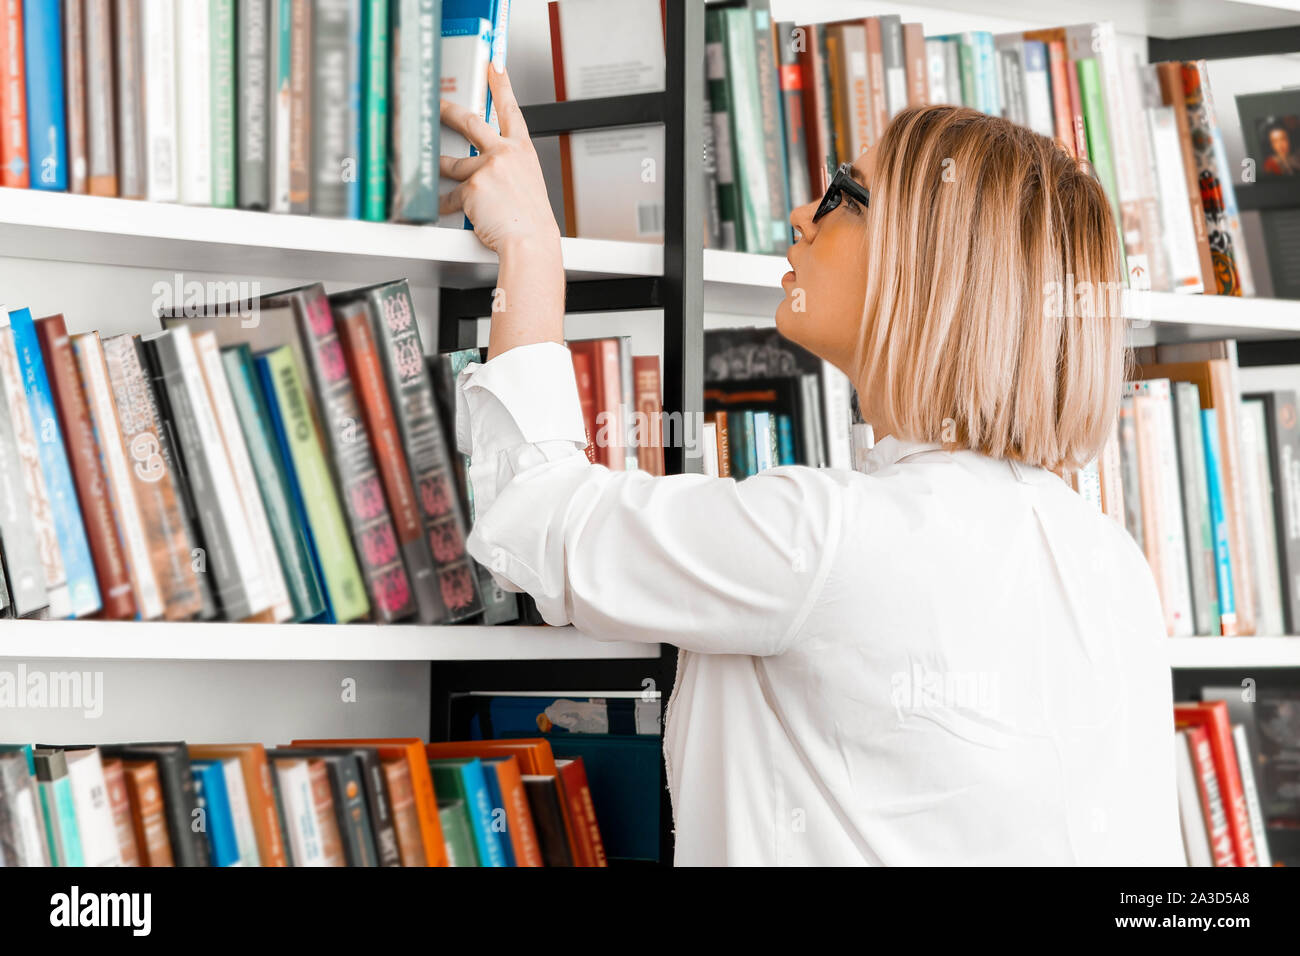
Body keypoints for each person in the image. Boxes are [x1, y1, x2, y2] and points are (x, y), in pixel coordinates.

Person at [438, 64, 1184, 866]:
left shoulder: (832, 538)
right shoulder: (1113, 566)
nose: (801, 216)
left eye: (843, 198)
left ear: (929, 267)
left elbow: (534, 516)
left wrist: (531, 247)